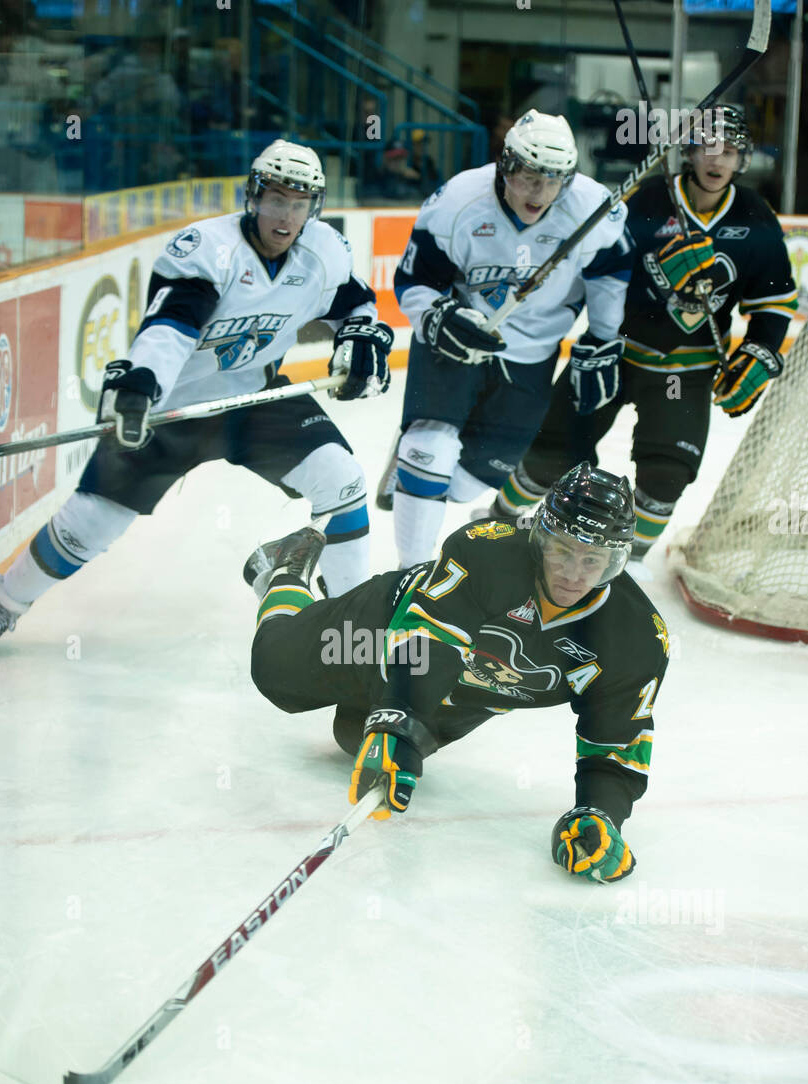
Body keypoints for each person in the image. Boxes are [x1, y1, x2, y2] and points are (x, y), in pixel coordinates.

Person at [0, 140, 394, 648]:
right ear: (254, 196)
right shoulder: (209, 249)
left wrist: (361, 339)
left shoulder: (322, 250)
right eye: (277, 200)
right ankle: (7, 603)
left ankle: (353, 628)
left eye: (299, 205)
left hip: (254, 398)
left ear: (313, 209)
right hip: (173, 408)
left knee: (342, 481)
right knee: (91, 522)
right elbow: (172, 325)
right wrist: (143, 383)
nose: (286, 217)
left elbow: (357, 303)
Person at [246, 463, 669, 885]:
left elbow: (615, 745)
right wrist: (399, 718)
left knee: (353, 735)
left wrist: (600, 812)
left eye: (592, 559)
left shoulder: (634, 638)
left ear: (615, 560)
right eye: (562, 550)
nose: (573, 573)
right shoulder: (487, 552)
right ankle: (287, 571)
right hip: (381, 630)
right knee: (273, 672)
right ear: (541, 536)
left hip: (460, 697)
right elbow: (431, 644)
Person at [483, 106, 799, 561]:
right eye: (708, 146)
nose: (716, 159)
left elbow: (772, 300)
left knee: (666, 476)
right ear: (689, 150)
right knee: (548, 455)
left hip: (685, 372)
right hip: (615, 354)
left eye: (728, 151)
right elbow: (600, 273)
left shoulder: (756, 217)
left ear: (741, 160)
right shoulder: (646, 201)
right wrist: (653, 278)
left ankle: (624, 567)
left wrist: (761, 348)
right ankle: (496, 525)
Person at [379, 109, 634, 568]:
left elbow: (612, 273)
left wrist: (602, 337)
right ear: (506, 166)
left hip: (533, 352)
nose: (539, 193)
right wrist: (437, 315)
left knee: (481, 475)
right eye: (530, 177)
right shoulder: (458, 200)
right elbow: (414, 279)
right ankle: (409, 573)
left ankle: (412, 473)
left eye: (553, 180)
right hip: (459, 339)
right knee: (430, 447)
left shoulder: (594, 210)